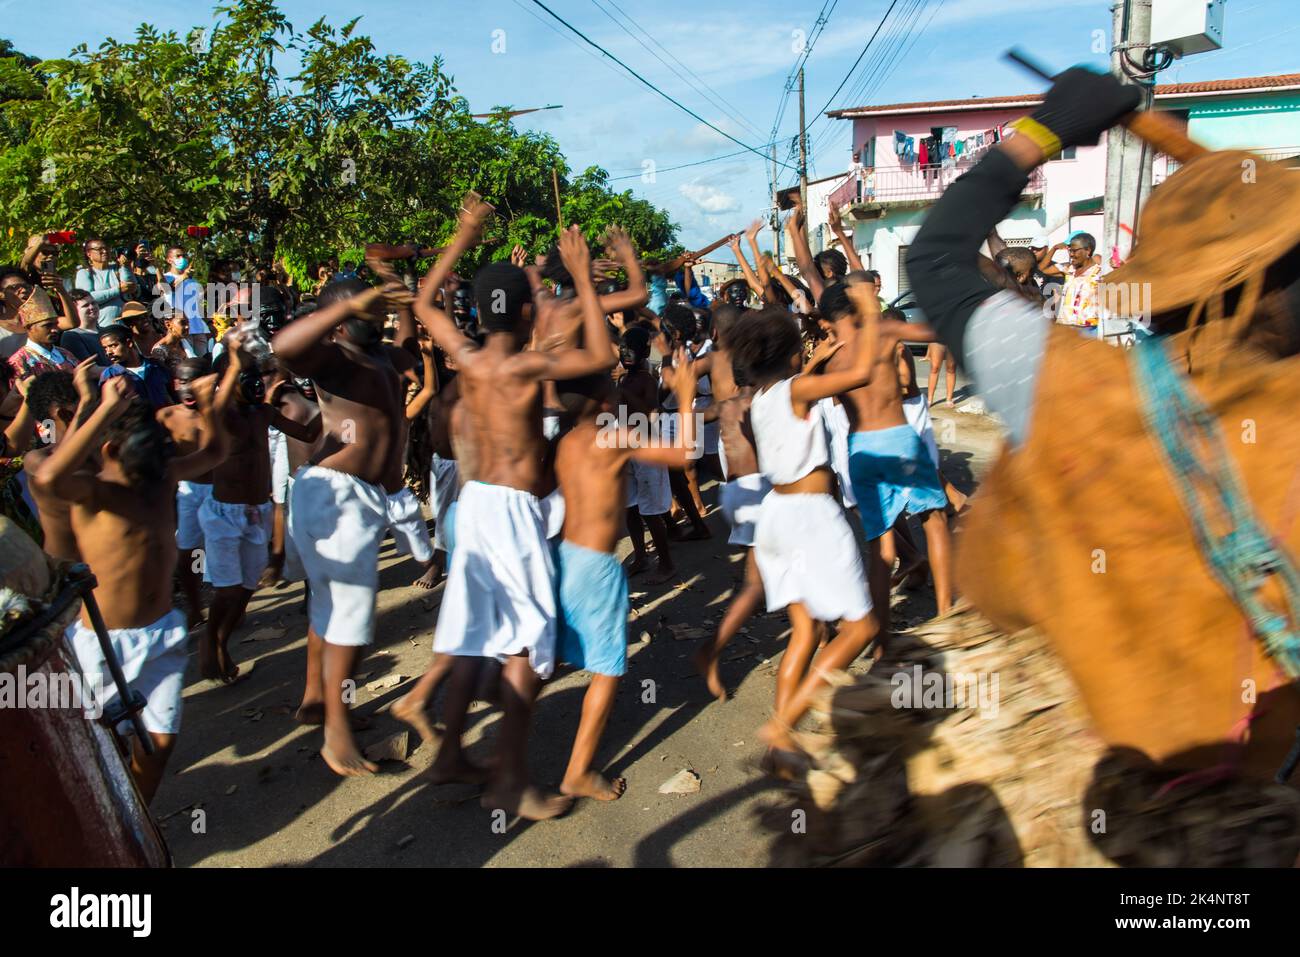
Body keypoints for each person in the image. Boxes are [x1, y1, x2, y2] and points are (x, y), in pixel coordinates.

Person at [413, 200, 617, 820]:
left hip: (474, 505)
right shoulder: (530, 365)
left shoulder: (470, 360)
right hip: (511, 513)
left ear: (477, 312)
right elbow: (602, 359)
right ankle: (509, 781)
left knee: (477, 635)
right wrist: (582, 276)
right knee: (528, 644)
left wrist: (463, 235)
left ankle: (451, 755)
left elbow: (424, 306)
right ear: (526, 313)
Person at [32, 369, 228, 802]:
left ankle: (136, 815)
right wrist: (100, 408)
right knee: (101, 745)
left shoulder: (161, 477)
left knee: (159, 742)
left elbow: (215, 450)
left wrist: (208, 401)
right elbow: (48, 479)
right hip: (103, 646)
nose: (158, 457)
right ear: (111, 448)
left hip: (162, 635)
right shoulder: (93, 493)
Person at [728, 290, 883, 775]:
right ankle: (784, 727)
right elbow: (860, 375)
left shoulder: (764, 399)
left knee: (806, 632)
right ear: (791, 354)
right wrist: (871, 312)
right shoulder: (797, 389)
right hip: (812, 516)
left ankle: (781, 751)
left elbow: (796, 396)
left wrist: (812, 359)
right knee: (862, 626)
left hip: (776, 515)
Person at [272, 276, 415, 776]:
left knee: (332, 609)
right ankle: (337, 735)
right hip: (336, 496)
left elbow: (409, 347)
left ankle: (318, 699)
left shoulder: (379, 358)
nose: (372, 314)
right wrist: (347, 307)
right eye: (362, 309)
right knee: (351, 621)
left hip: (355, 497)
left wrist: (404, 301)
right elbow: (283, 345)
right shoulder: (336, 357)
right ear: (334, 319)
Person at [553, 347, 700, 802]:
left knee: (549, 657)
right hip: (596, 569)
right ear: (602, 399)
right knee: (607, 672)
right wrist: (687, 396)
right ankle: (577, 771)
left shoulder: (568, 439)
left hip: (563, 560)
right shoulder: (610, 436)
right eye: (610, 382)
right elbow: (683, 453)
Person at [824, 289, 952, 632]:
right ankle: (944, 614)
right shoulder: (884, 333)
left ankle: (881, 639)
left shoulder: (827, 357)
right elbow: (936, 332)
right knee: (934, 520)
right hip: (897, 436)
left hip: (860, 448)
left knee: (880, 547)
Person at [157, 357, 219, 629]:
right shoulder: (166, 416)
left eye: (194, 381)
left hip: (221, 491)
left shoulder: (219, 413)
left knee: (221, 551)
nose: (187, 387)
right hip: (188, 491)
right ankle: (195, 607)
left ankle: (225, 607)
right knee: (191, 551)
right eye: (182, 381)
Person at [618, 326, 680, 584]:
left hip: (647, 450)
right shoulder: (623, 379)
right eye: (623, 350)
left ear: (644, 353)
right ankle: (641, 556)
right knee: (630, 508)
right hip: (627, 449)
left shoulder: (647, 380)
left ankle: (666, 563)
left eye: (632, 351)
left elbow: (650, 415)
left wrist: (624, 394)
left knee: (650, 511)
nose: (626, 355)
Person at [21, 359, 100, 561]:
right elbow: (58, 471)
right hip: (68, 570)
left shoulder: (100, 447)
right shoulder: (37, 459)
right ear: (65, 414)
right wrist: (87, 406)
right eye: (87, 403)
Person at [6, 287, 78, 378]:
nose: (54, 330)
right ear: (29, 327)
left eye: (55, 324)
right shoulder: (19, 362)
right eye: (47, 325)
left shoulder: (65, 354)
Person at [98, 323, 173, 409]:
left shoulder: (156, 366)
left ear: (129, 343)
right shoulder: (110, 375)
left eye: (113, 346)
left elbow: (172, 394)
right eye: (105, 348)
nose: (108, 352)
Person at [162, 245, 213, 355]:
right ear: (169, 260)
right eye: (178, 256)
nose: (182, 258)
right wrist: (184, 276)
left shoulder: (193, 281)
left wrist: (208, 324)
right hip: (181, 330)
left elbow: (198, 306)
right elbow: (168, 288)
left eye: (184, 255)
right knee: (189, 362)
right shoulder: (166, 277)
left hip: (198, 329)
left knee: (203, 362)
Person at [74, 237, 134, 325]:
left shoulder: (117, 268)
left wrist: (126, 266)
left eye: (106, 248)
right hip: (103, 328)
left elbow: (130, 287)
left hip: (129, 324)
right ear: (89, 254)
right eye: (99, 249)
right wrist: (117, 290)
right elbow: (86, 299)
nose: (105, 251)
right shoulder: (84, 273)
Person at [1054, 232, 1103, 331]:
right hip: (1065, 327)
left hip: (1087, 328)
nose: (1071, 254)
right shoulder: (1070, 269)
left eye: (1074, 251)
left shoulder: (1099, 272)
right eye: (1070, 250)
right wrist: (1054, 248)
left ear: (1088, 251)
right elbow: (1041, 269)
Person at [60, 290, 108, 364]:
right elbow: (87, 367)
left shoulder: (107, 331)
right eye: (85, 305)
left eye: (93, 303)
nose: (92, 307)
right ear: (74, 310)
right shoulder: (71, 336)